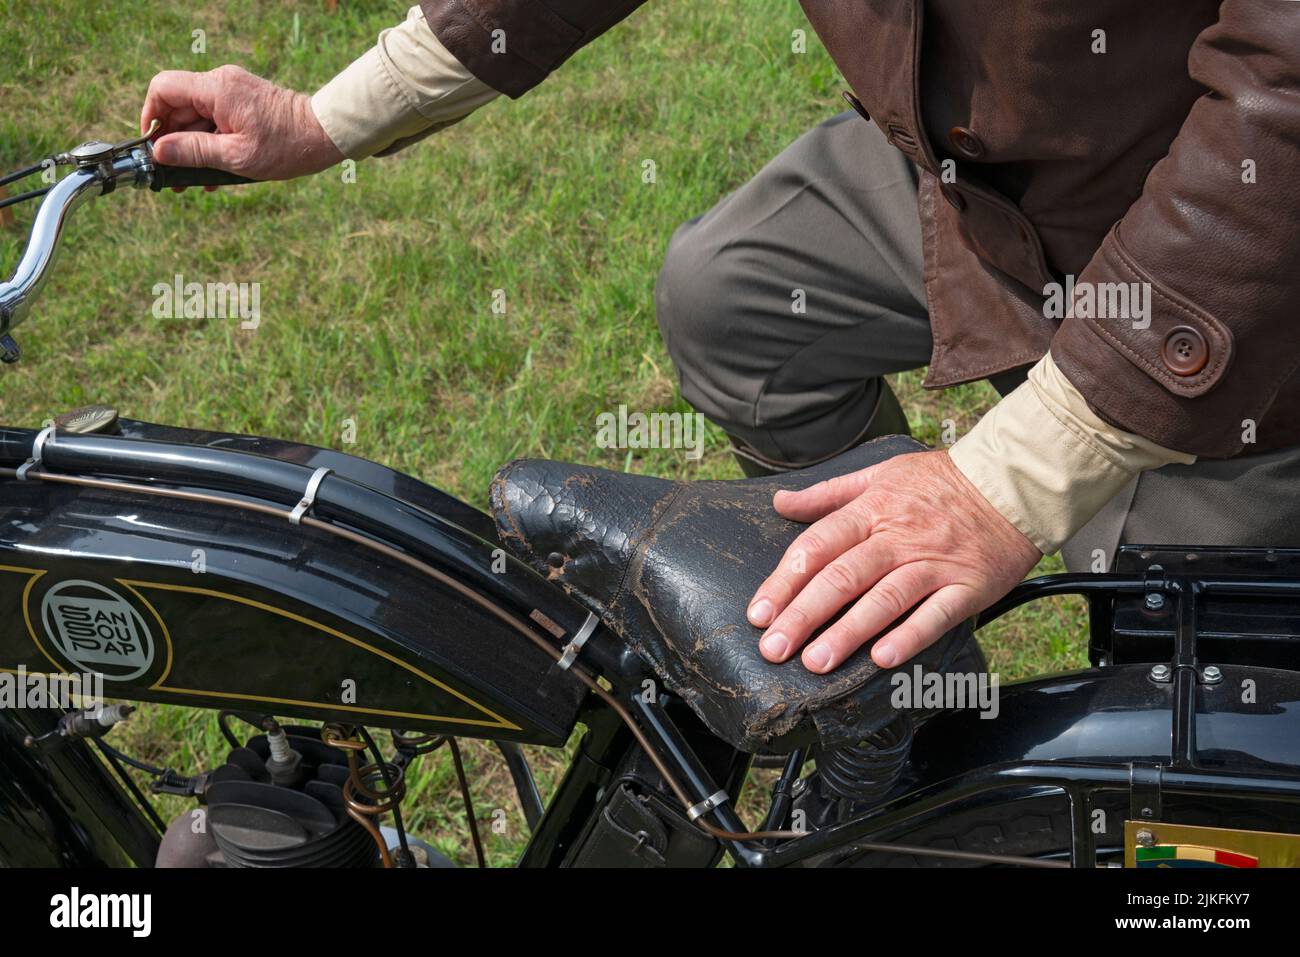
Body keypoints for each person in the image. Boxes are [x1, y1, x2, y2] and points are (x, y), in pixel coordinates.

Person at [140, 2, 1300, 677]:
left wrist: (1023, 473)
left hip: (1242, 251)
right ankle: (901, 663)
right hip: (987, 188)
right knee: (737, 294)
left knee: (1186, 704)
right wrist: (329, 117)